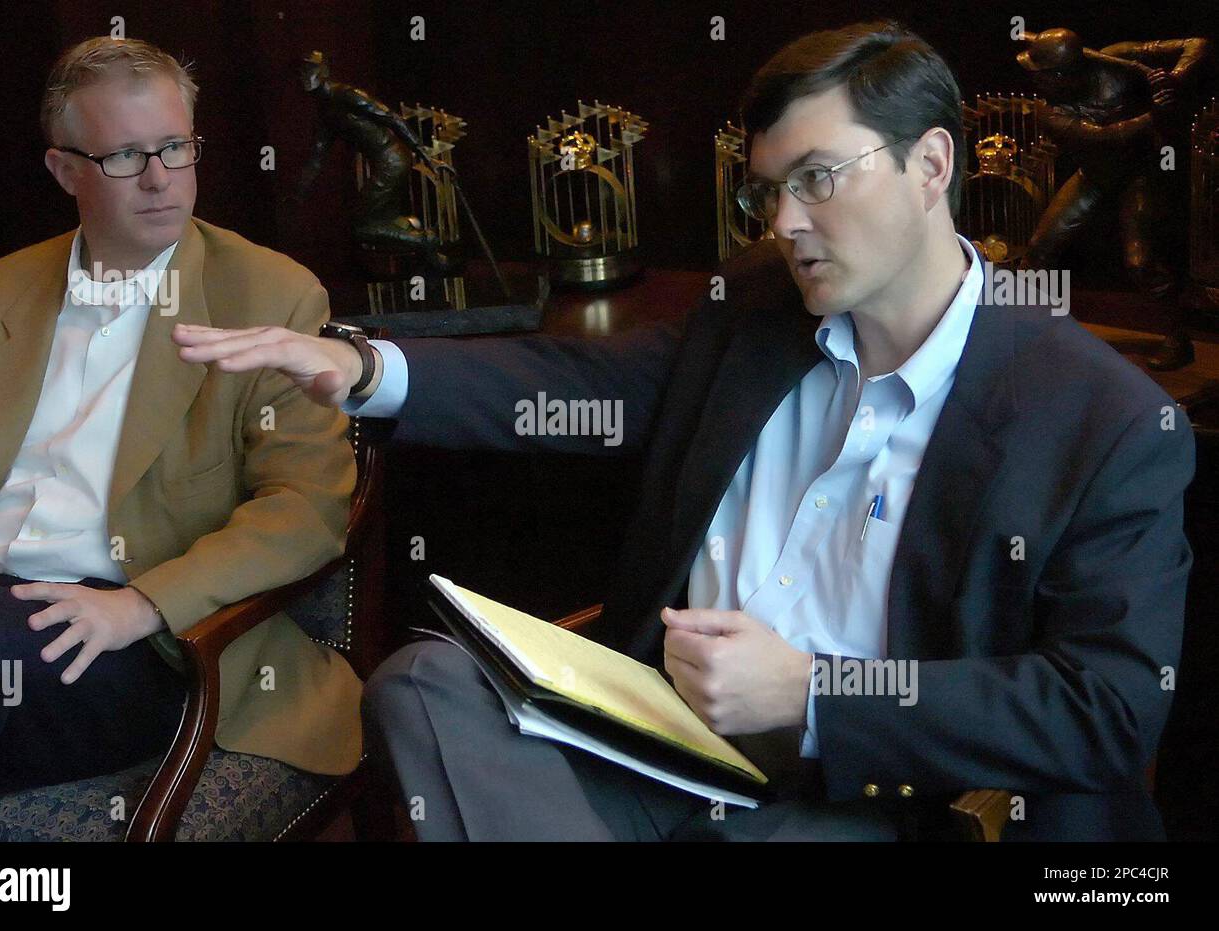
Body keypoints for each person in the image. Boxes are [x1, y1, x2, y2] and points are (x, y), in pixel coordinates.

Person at [174, 21, 1194, 841]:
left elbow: (1104, 707)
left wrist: (815, 695)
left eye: (816, 179)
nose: (782, 221)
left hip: (866, 791)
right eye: (768, 190)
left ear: (930, 164)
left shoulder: (1097, 416)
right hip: (655, 738)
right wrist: (365, 365)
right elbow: (583, 380)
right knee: (424, 682)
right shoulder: (759, 307)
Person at [0, 36, 360, 838]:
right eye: (123, 155)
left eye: (174, 147)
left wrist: (141, 605)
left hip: (138, 645)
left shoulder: (268, 295)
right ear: (65, 172)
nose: (159, 178)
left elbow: (306, 510)